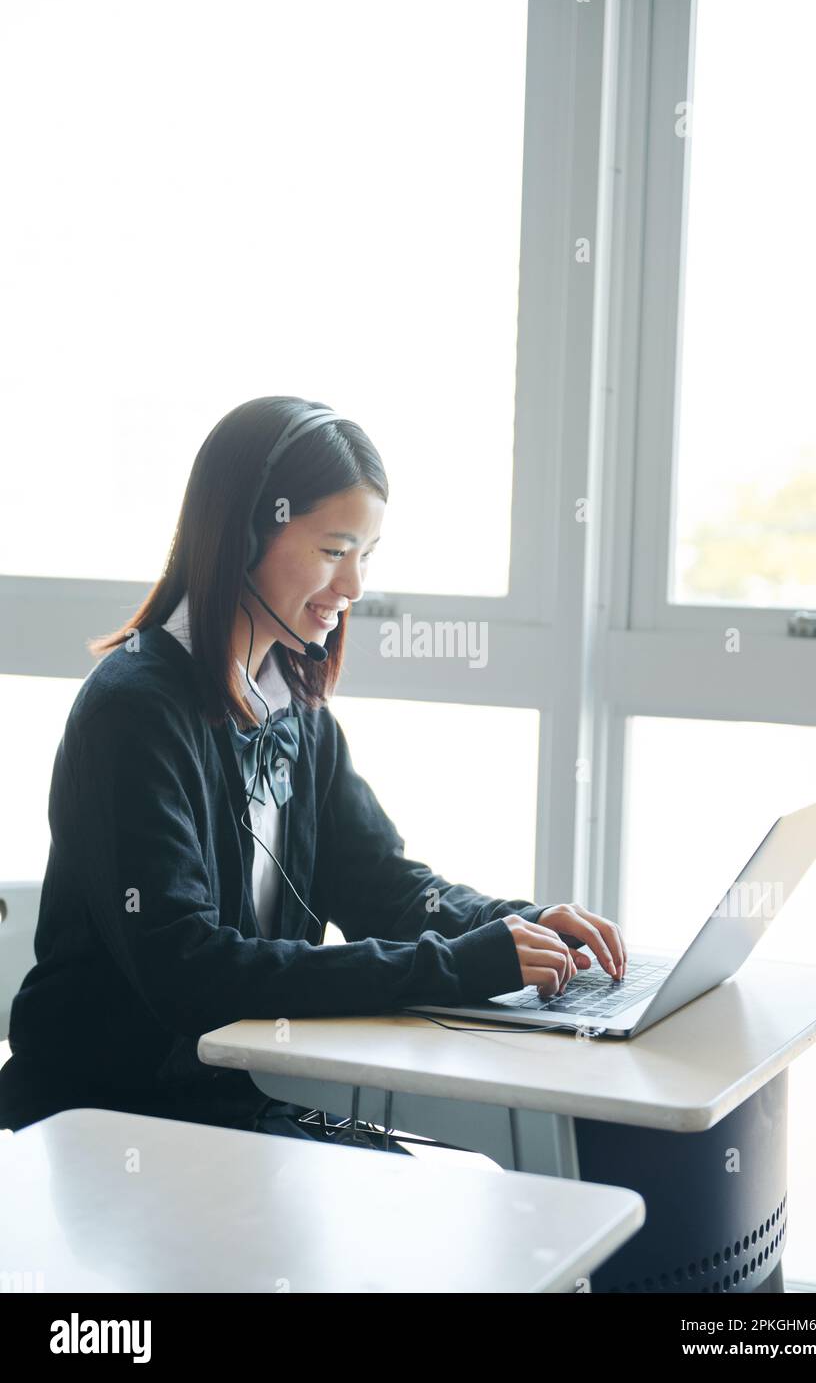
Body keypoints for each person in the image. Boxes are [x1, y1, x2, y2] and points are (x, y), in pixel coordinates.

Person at [0, 396, 625, 1143]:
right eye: (334, 551)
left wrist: (513, 927)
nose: (355, 585)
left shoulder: (292, 705)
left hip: (237, 1102)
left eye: (367, 554)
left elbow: (382, 888)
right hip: (114, 1122)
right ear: (242, 533)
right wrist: (456, 966)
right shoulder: (132, 710)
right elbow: (188, 971)